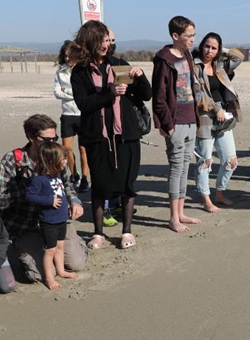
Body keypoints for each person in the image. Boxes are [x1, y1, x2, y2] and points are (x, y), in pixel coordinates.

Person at [73, 20, 151, 246]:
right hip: (97, 138)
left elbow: (146, 94)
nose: (107, 45)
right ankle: (98, 233)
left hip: (126, 135)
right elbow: (83, 104)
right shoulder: (80, 71)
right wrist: (110, 93)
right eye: (102, 40)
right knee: (100, 185)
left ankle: (127, 231)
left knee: (127, 184)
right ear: (90, 41)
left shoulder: (119, 64)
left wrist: (140, 76)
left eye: (108, 41)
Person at [0, 114, 87, 283]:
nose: (51, 143)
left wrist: (75, 202)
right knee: (41, 274)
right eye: (46, 139)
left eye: (54, 138)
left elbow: (67, 185)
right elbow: (1, 200)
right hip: (25, 225)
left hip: (55, 220)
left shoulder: (57, 155)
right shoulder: (13, 160)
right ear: (31, 137)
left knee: (76, 263)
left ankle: (74, 242)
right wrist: (33, 190)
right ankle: (21, 252)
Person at [153, 16, 204, 232]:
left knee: (185, 167)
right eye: (188, 35)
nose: (193, 39)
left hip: (191, 118)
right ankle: (173, 217)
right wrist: (168, 124)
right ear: (175, 36)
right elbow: (159, 97)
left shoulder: (187, 56)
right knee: (176, 169)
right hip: (175, 122)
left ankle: (181, 213)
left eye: (193, 35)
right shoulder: (164, 60)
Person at [192, 32, 243, 213]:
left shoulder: (219, 66)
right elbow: (198, 93)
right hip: (204, 116)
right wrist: (216, 109)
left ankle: (220, 192)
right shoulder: (194, 66)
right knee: (205, 161)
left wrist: (223, 51)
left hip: (224, 116)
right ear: (201, 46)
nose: (209, 51)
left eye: (214, 48)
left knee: (231, 160)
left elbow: (239, 57)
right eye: (207, 46)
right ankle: (206, 199)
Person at [25, 142, 79, 290]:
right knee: (50, 250)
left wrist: (68, 205)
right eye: (63, 159)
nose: (66, 162)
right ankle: (49, 278)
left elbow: (61, 192)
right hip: (49, 221)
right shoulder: (39, 180)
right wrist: (49, 201)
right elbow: (30, 196)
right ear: (51, 161)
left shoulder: (57, 176)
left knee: (60, 246)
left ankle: (61, 271)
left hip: (61, 218)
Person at [54, 40, 90, 193]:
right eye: (65, 55)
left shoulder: (83, 70)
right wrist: (74, 94)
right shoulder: (60, 71)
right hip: (67, 114)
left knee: (83, 149)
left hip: (83, 113)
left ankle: (85, 178)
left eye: (70, 55)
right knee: (66, 148)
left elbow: (85, 92)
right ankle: (74, 174)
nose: (68, 58)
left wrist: (68, 92)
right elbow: (57, 93)